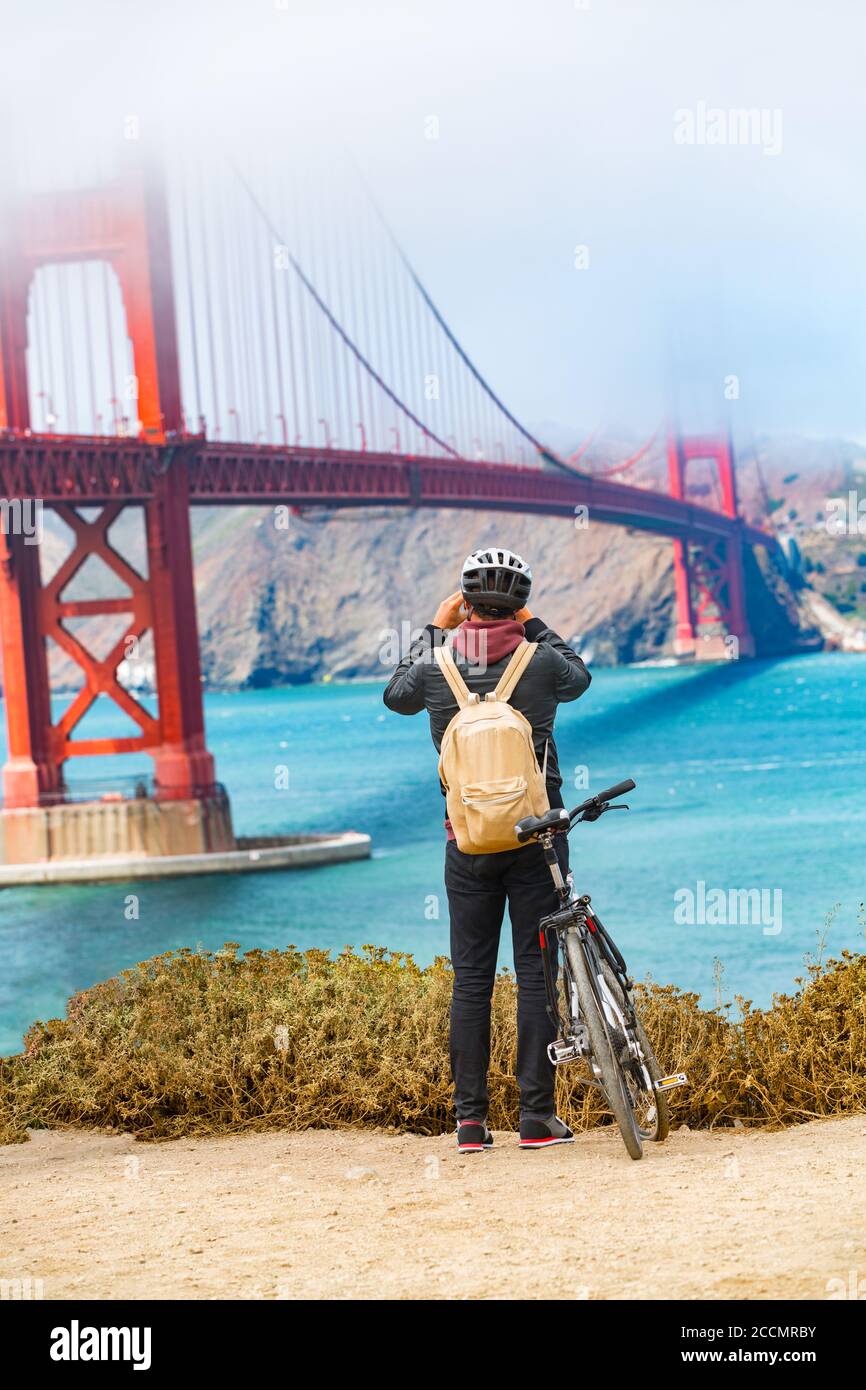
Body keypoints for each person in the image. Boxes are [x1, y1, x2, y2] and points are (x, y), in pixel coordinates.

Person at [383, 547, 591, 1151]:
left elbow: (395, 695)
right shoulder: (543, 663)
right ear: (519, 606)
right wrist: (534, 623)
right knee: (535, 973)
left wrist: (433, 628)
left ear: (465, 602)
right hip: (538, 841)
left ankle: (469, 1124)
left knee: (471, 979)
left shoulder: (433, 669)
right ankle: (536, 1118)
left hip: (466, 841)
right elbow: (580, 676)